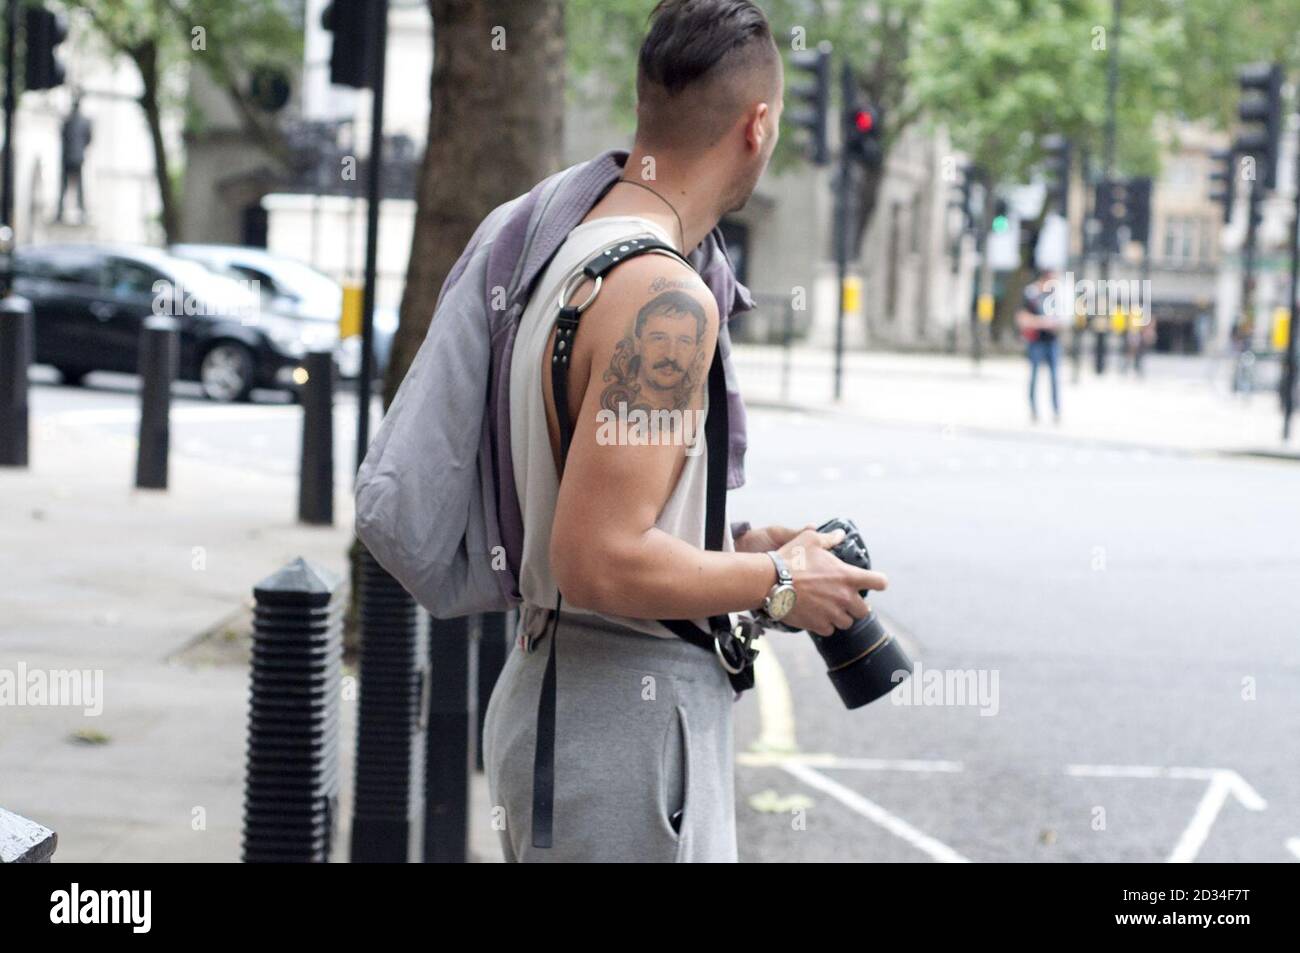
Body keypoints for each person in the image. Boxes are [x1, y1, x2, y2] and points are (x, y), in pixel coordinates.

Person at [481, 0, 887, 862]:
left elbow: (589, 501)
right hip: (618, 721)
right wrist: (777, 581)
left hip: (567, 696)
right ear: (759, 125)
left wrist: (735, 542)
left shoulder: (571, 243)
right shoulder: (662, 294)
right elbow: (596, 554)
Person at [1016, 268, 1065, 423]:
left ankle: (1056, 410)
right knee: (1034, 376)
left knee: (1054, 377)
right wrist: (1042, 322)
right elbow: (1021, 318)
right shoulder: (1031, 295)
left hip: (1052, 340)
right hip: (1036, 341)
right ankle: (1033, 410)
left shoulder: (1055, 297)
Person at [57, 93, 93, 224]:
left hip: (70, 157)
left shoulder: (68, 120)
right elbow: (89, 139)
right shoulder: (84, 121)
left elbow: (63, 137)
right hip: (77, 157)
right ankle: (72, 212)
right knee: (74, 187)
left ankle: (62, 212)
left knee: (68, 186)